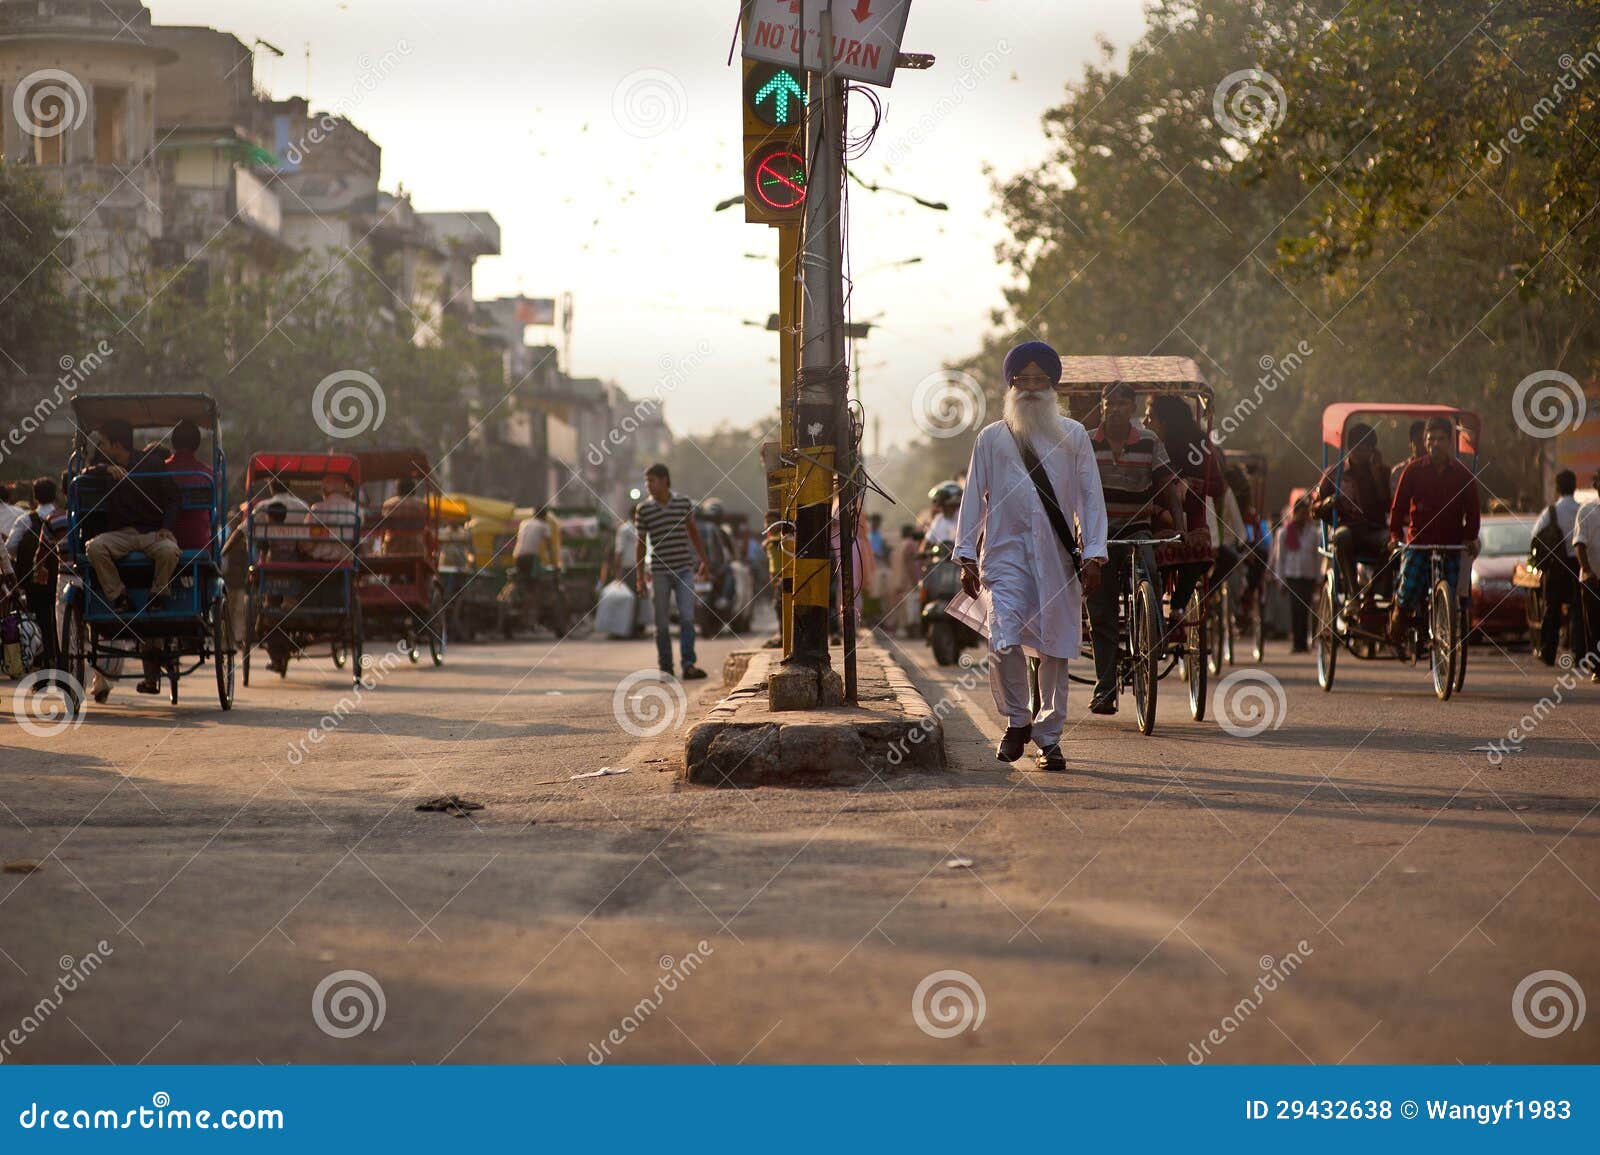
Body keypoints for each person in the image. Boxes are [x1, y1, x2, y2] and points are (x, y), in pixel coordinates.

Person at [955, 340, 1108, 772]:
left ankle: (1049, 736)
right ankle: (1018, 719)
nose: (1032, 388)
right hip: (1004, 556)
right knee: (1003, 637)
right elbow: (973, 499)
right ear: (1011, 385)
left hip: (1058, 558)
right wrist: (966, 554)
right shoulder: (991, 438)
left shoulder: (1074, 435)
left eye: (1041, 380)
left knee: (1055, 649)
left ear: (1053, 386)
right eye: (1024, 380)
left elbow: (1090, 499)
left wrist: (1094, 554)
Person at [1084, 381, 1185, 715]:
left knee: (1150, 571)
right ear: (1101, 406)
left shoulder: (1148, 441)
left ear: (1132, 407)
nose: (1115, 409)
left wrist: (1180, 524)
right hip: (1100, 533)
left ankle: (1152, 631)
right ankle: (1104, 688)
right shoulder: (1086, 441)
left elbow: (1167, 484)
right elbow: (1076, 491)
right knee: (1101, 607)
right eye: (1108, 402)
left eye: (1122, 403)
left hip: (1138, 527)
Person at [1387, 415, 1480, 644]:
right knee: (1407, 594)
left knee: (1457, 596)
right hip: (1419, 542)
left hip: (1451, 543)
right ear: (1425, 442)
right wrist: (1395, 536)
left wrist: (1470, 537)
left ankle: (1449, 629)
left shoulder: (1462, 474)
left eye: (1441, 439)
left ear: (1450, 442)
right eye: (1431, 439)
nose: (1435, 444)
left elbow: (1473, 511)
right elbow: (1397, 508)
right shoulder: (1413, 471)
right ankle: (1397, 622)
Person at [80, 419, 181, 615]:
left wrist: (167, 527)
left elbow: (174, 498)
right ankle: (119, 596)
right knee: (94, 548)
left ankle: (157, 595)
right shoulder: (107, 468)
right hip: (121, 534)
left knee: (170, 551)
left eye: (104, 443)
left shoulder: (151, 463)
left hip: (151, 532)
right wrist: (105, 469)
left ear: (116, 445)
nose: (101, 447)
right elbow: (83, 474)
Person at [1144, 393, 1221, 633]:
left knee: (1201, 550)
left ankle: (1178, 607)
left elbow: (1219, 485)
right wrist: (1159, 509)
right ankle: (1152, 611)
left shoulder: (1200, 446)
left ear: (1164, 421)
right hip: (1154, 518)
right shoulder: (1145, 444)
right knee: (1153, 552)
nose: (1145, 422)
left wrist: (1191, 482)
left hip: (1191, 520)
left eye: (1150, 417)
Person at [634, 463, 711, 680]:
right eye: (646, 481)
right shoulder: (644, 509)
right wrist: (639, 576)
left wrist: (704, 560)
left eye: (652, 480)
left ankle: (688, 664)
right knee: (661, 622)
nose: (648, 485)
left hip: (684, 569)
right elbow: (640, 543)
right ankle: (666, 667)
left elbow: (693, 532)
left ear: (665, 480)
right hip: (659, 571)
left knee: (687, 617)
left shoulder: (682, 503)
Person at [1311, 422, 1392, 612]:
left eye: (1367, 448)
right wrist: (1329, 502)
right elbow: (1313, 510)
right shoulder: (1334, 473)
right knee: (1341, 536)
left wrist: (1376, 475)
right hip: (1348, 530)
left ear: (1373, 450)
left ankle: (1372, 592)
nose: (1363, 452)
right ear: (1351, 447)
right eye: (1359, 447)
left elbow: (1388, 504)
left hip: (1375, 530)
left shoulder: (1383, 472)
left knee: (1393, 541)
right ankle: (1353, 594)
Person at [7, 477, 62, 667]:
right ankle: (58, 652)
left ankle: (42, 657)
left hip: (34, 581)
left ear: (35, 496)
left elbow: (10, 548)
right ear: (55, 496)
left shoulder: (25, 520)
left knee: (38, 616)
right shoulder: (63, 517)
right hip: (60, 577)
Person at [1531, 469, 1581, 666]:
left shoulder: (1551, 512)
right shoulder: (1582, 510)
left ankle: (1548, 652)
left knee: (1551, 610)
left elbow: (1535, 536)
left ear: (1557, 488)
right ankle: (1579, 653)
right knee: (1577, 609)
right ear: (1575, 486)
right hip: (1578, 565)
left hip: (1555, 567)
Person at [1269, 497, 1320, 652]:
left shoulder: (1313, 533)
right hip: (1292, 575)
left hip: (1308, 575)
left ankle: (1304, 643)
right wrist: (1280, 580)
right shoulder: (1284, 532)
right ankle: (1297, 643)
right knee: (1295, 610)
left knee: (1305, 610)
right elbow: (1280, 557)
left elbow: (1317, 557)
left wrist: (1318, 578)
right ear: (1296, 513)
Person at [166, 418, 213, 552]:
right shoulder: (208, 474)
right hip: (199, 542)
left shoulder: (161, 470)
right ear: (196, 443)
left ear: (173, 442)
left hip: (166, 540)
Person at [1573, 468, 1600, 682]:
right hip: (1592, 579)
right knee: (1594, 625)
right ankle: (1597, 669)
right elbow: (1579, 544)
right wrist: (1588, 571)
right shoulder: (1587, 511)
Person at [888, 525, 925, 638]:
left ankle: (900, 629)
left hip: (897, 580)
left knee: (900, 606)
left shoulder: (899, 545)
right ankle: (909, 631)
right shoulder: (911, 544)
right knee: (910, 607)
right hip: (907, 581)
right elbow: (910, 564)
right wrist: (915, 581)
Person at [1390, 420, 1426, 491]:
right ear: (1411, 443)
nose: (1423, 445)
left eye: (1425, 440)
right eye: (1419, 440)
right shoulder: (1399, 471)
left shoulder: (1438, 469)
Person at [926, 483, 962, 547]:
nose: (942, 508)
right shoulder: (938, 519)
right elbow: (928, 541)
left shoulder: (963, 518)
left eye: (944, 505)